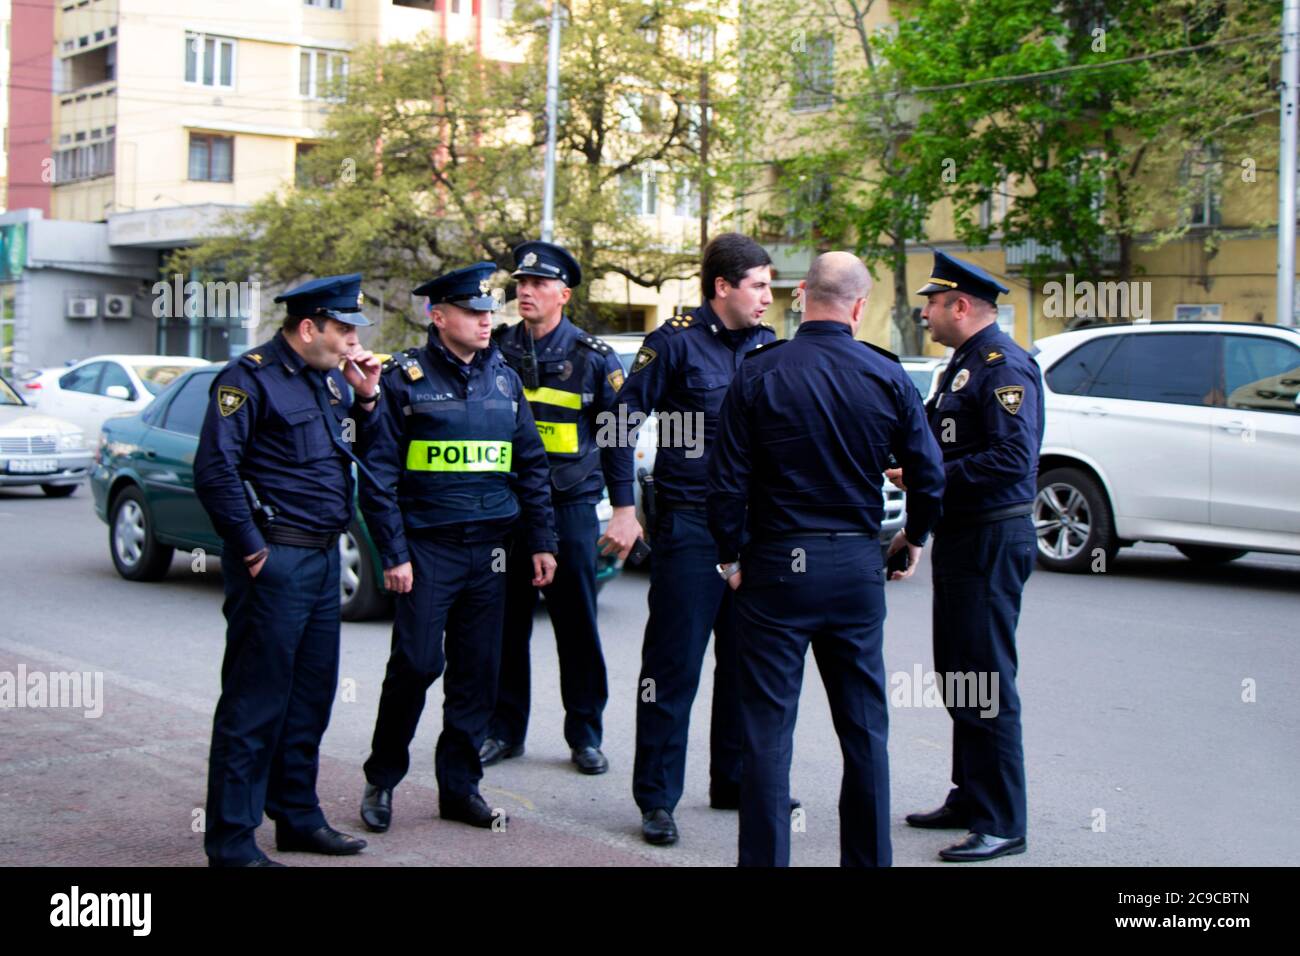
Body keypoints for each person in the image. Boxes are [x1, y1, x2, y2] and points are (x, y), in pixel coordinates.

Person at [706, 252, 946, 867]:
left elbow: (726, 480)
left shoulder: (759, 371)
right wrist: (913, 538)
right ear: (860, 307)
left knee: (766, 735)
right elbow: (928, 473)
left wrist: (730, 559)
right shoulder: (886, 375)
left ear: (802, 295)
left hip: (777, 569)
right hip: (854, 570)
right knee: (865, 731)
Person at [357, 262, 557, 833]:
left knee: (476, 676)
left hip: (492, 552)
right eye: (473, 312)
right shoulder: (404, 378)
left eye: (488, 311)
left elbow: (531, 467)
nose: (485, 321)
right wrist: (393, 553)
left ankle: (460, 788)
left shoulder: (504, 379)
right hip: (429, 550)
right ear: (438, 316)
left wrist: (541, 542)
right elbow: (378, 476)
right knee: (417, 665)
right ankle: (383, 778)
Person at [195, 272, 381, 867]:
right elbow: (215, 471)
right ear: (309, 328)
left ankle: (297, 817)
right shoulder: (246, 379)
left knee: (310, 698)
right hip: (276, 559)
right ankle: (231, 840)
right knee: (255, 702)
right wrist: (252, 549)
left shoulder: (331, 385)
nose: (352, 340)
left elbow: (358, 452)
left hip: (324, 559)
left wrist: (369, 397)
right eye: (343, 328)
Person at [614, 233, 776, 846]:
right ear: (723, 287)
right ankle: (656, 797)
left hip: (752, 531)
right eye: (758, 285)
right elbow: (619, 422)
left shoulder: (767, 346)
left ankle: (732, 779)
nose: (768, 296)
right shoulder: (675, 344)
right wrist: (624, 509)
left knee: (745, 662)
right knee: (674, 665)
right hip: (690, 526)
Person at [888, 249, 1043, 862]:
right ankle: (970, 795)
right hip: (960, 536)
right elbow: (922, 445)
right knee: (959, 674)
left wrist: (931, 478)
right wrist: (916, 530)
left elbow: (1013, 459)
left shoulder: (1005, 367)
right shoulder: (960, 367)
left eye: (931, 302)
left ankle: (1003, 820)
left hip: (992, 537)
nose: (923, 312)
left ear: (960, 305)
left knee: (988, 679)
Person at [478, 241, 640, 775]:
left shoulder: (592, 358)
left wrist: (624, 509)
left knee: (576, 624)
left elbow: (617, 438)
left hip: (568, 506)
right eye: (521, 284)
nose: (525, 292)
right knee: (505, 625)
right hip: (507, 507)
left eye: (538, 285)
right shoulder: (495, 348)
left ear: (563, 295)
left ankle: (585, 734)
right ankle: (505, 730)